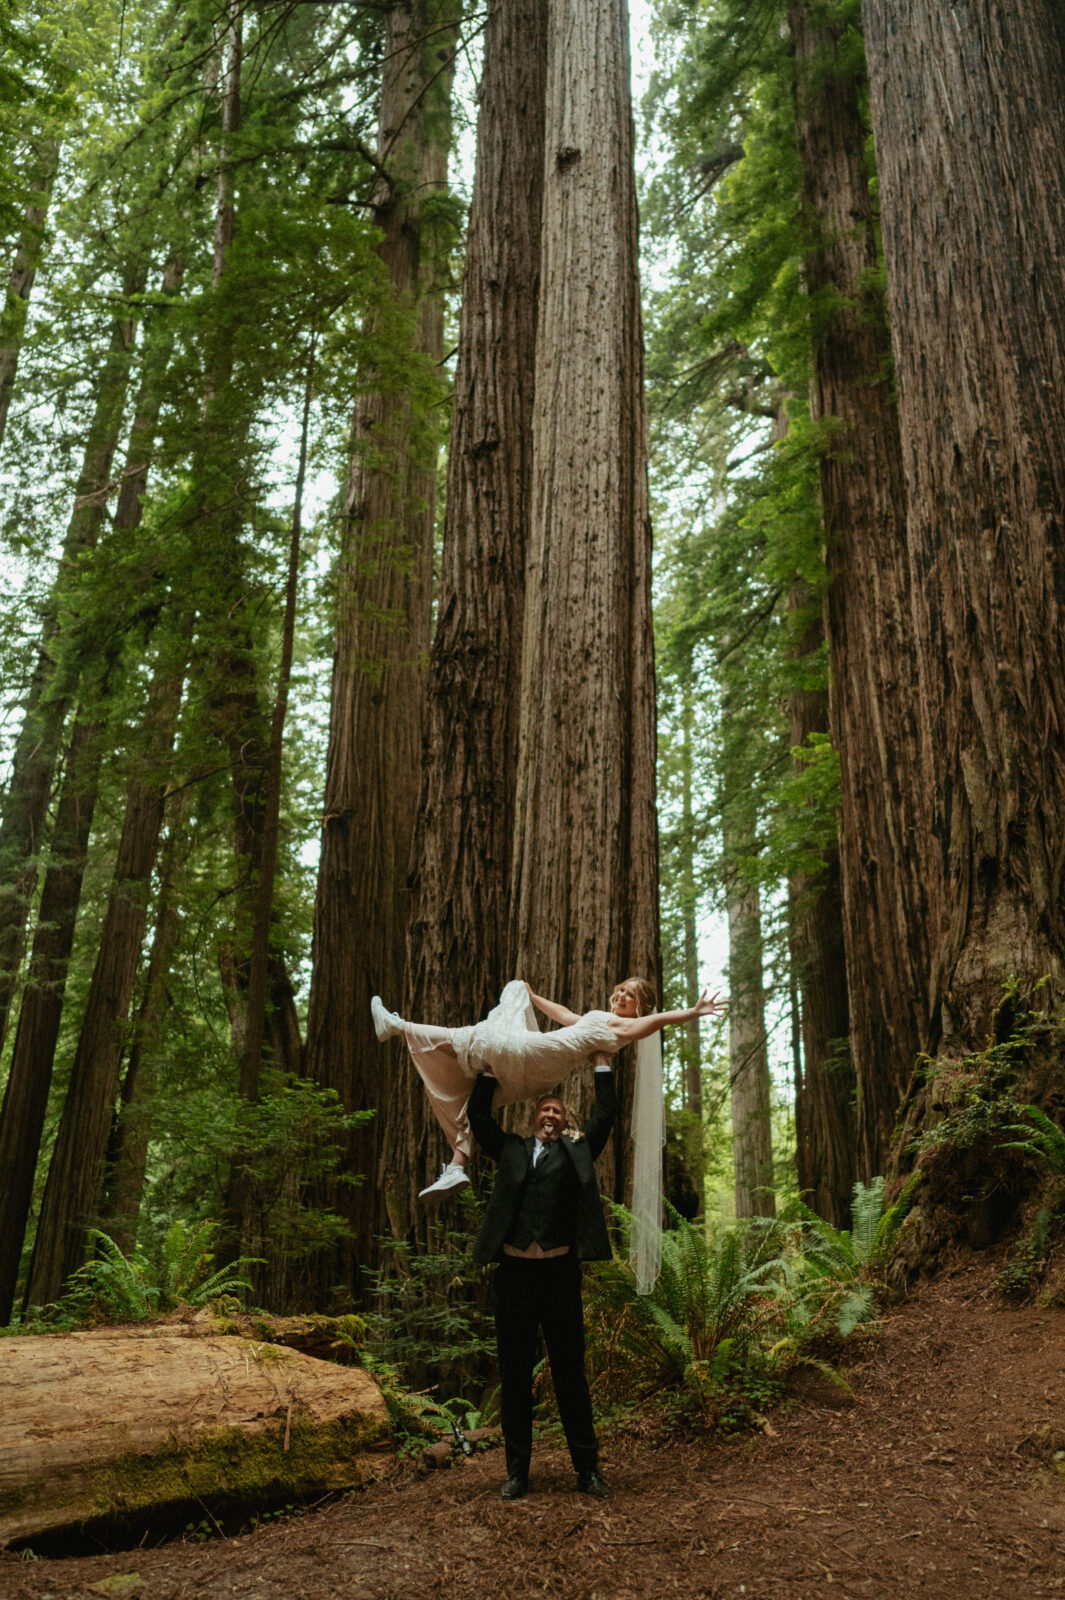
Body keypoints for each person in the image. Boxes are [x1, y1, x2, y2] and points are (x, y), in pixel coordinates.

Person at [370, 978, 722, 1197]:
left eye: (629, 995)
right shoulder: (600, 1020)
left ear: (639, 1008)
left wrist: (692, 1012)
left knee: (502, 1005)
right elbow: (567, 1016)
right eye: (620, 989)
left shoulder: (624, 1029)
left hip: (535, 1054)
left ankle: (398, 1026)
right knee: (477, 1087)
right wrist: (534, 998)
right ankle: (457, 1164)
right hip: (538, 1066)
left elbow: (656, 1021)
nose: (620, 995)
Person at [466, 1064, 616, 1501]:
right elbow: (478, 1117)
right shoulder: (510, 1148)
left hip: (559, 1277)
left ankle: (587, 1472)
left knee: (571, 1376)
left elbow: (605, 1114)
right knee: (514, 1377)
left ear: (566, 1121)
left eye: (559, 1110)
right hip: (514, 1277)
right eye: (544, 1109)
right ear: (534, 1116)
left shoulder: (578, 1151)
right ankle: (517, 1474)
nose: (551, 1114)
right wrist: (489, 1072)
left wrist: (603, 1067)